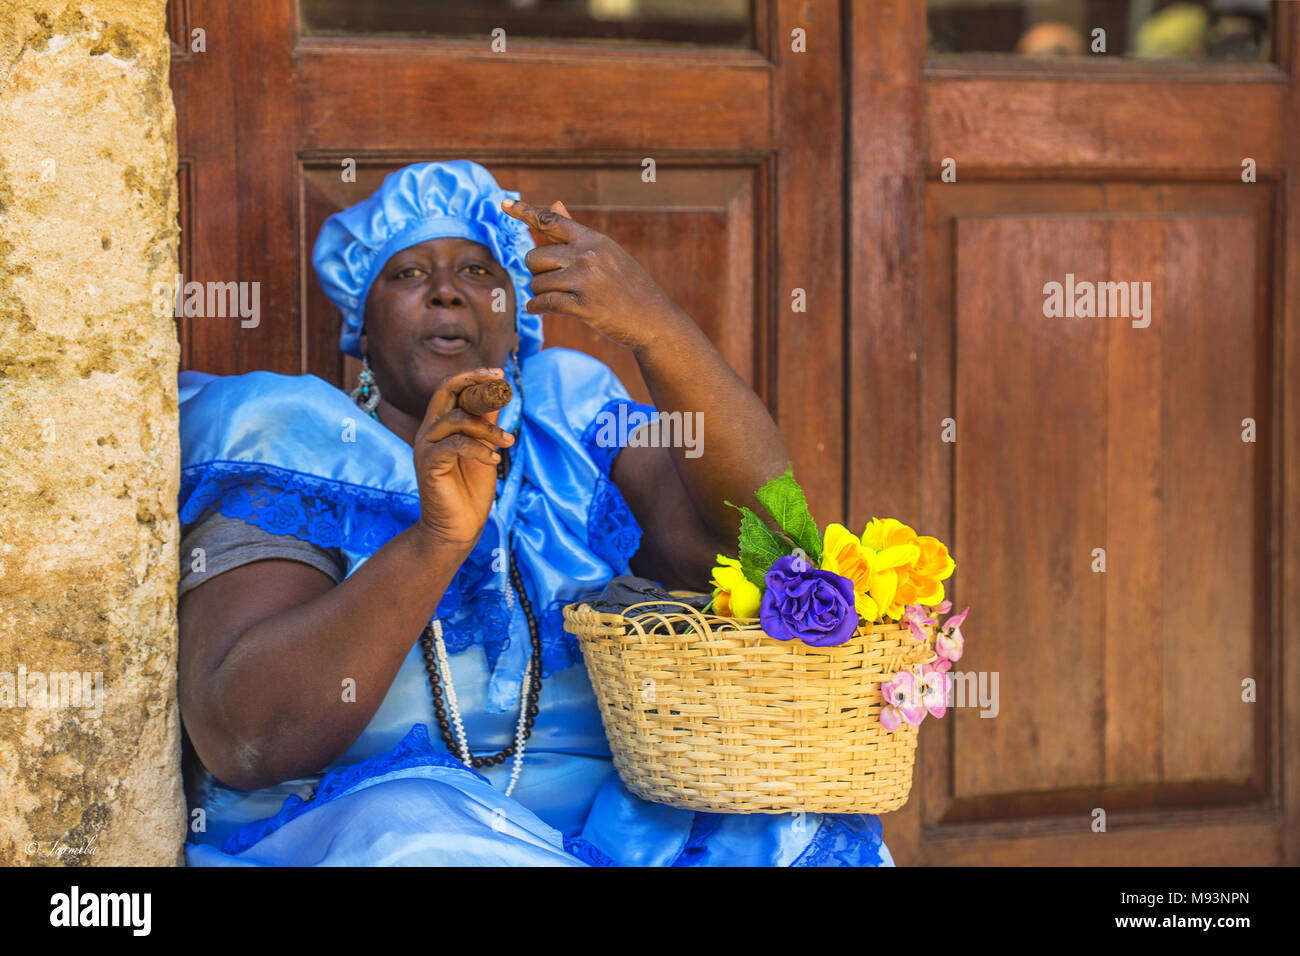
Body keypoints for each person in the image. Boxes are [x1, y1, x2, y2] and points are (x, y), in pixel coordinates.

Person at [177, 160, 895, 866]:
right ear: (360, 330)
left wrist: (660, 331)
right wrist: (438, 541)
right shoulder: (294, 441)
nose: (448, 293)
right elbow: (248, 741)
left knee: (781, 828)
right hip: (374, 824)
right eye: (408, 274)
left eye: (479, 272)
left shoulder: (570, 418)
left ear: (518, 317)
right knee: (417, 842)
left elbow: (765, 542)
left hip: (602, 823)